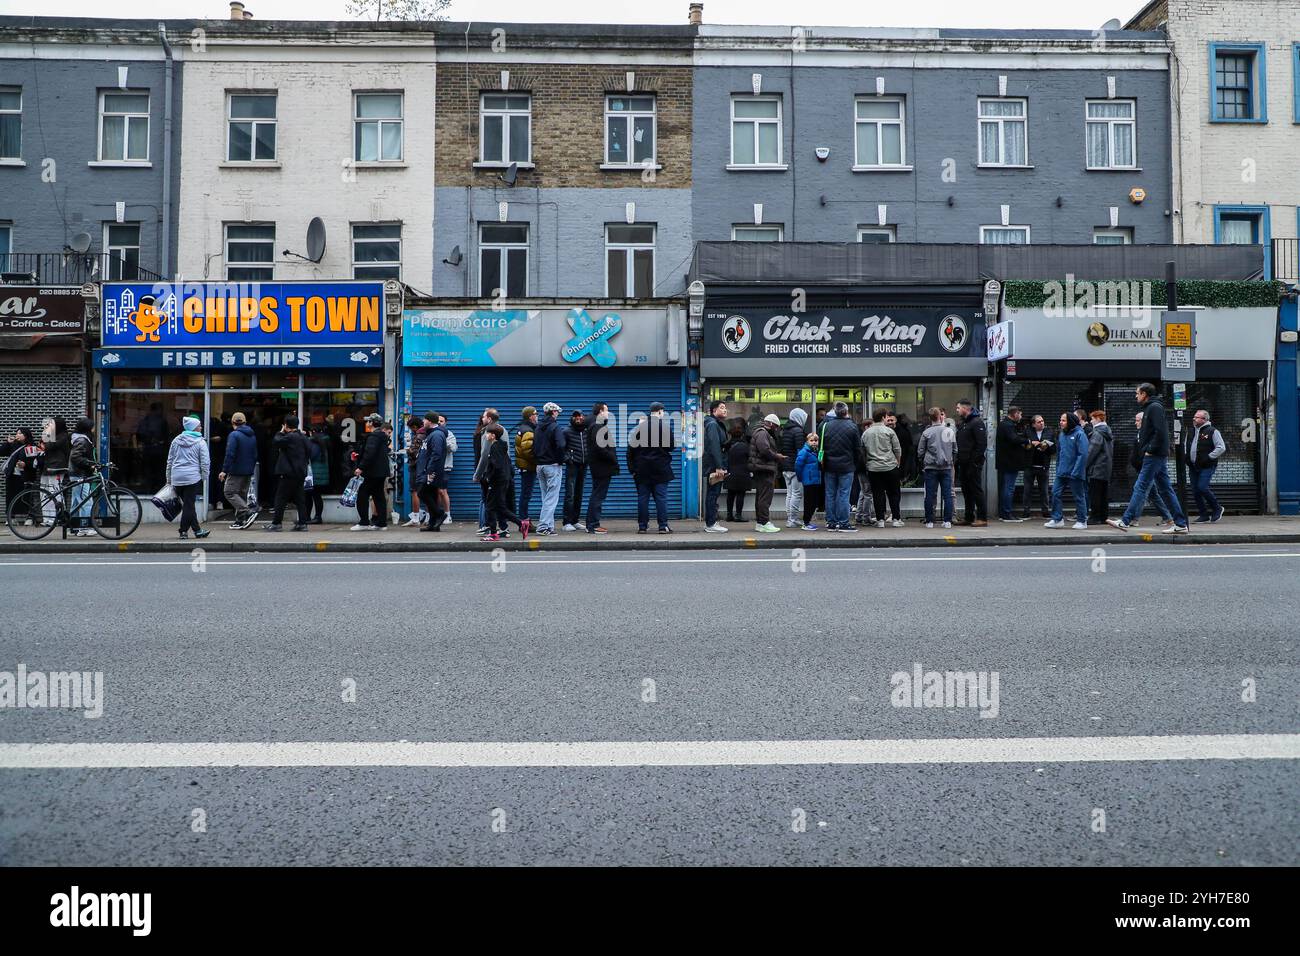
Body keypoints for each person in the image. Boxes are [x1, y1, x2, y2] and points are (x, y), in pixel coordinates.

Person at [1109, 383, 1188, 534]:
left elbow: (1161, 432)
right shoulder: (1151, 408)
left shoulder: (1154, 408)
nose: (1136, 396)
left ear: (1144, 394)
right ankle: (1180, 523)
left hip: (1154, 455)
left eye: (1137, 393)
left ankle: (1125, 521)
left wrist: (1150, 450)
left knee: (1141, 486)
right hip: (1156, 454)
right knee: (1165, 489)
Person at [628, 402, 675, 534]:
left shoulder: (639, 428)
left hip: (642, 469)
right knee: (661, 498)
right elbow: (671, 446)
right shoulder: (664, 427)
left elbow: (631, 450)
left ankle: (642, 526)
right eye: (663, 412)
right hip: (660, 468)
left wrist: (632, 469)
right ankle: (662, 526)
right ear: (660, 412)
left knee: (643, 498)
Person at [481, 423, 531, 542]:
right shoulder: (502, 446)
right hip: (503, 480)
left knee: (490, 507)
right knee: (499, 507)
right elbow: (507, 464)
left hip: (497, 481)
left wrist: (489, 478)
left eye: (487, 433)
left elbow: (496, 466)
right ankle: (520, 523)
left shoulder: (495, 447)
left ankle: (494, 533)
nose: (486, 435)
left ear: (493, 435)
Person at [167, 415, 211, 539]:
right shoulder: (200, 442)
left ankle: (197, 530)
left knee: (188, 505)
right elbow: (205, 462)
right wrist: (204, 476)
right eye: (199, 426)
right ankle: (183, 531)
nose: (201, 427)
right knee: (189, 505)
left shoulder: (176, 440)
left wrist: (169, 478)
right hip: (192, 478)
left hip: (177, 477)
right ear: (193, 428)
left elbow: (170, 461)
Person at [818, 402, 860, 533]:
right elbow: (857, 449)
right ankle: (843, 523)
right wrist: (856, 464)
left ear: (834, 412)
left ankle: (831, 522)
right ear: (846, 412)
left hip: (829, 465)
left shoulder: (826, 426)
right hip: (847, 466)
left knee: (830, 493)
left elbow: (821, 445)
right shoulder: (852, 427)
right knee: (843, 494)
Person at [263, 415, 310, 532]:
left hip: (288, 473)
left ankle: (277, 523)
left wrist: (281, 432)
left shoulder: (289, 437)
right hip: (300, 472)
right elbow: (310, 451)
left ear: (286, 425)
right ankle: (303, 523)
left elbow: (276, 441)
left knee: (280, 498)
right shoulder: (303, 437)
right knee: (300, 499)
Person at [1126, 411, 1171, 528]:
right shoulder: (1140, 434)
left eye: (1138, 420)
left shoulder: (1147, 435)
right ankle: (1168, 517)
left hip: (1147, 468)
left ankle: (1133, 518)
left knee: (1141, 491)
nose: (1136, 423)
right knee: (1153, 494)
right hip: (1142, 468)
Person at [1045, 412, 1089, 530]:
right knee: (1055, 493)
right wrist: (1059, 467)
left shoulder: (1080, 434)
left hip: (1075, 472)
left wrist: (1076, 471)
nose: (1061, 422)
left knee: (1079, 496)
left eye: (1063, 420)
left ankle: (1082, 520)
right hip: (1062, 472)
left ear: (1070, 421)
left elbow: (1083, 454)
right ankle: (1057, 519)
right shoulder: (1061, 435)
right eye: (1060, 420)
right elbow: (1060, 453)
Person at [863, 408, 904, 527]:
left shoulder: (867, 433)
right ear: (883, 417)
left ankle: (880, 520)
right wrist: (898, 463)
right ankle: (896, 519)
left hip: (873, 468)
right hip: (890, 466)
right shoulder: (889, 431)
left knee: (877, 494)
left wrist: (867, 463)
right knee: (894, 493)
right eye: (886, 417)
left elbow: (863, 450)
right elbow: (897, 449)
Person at [1185, 408, 1226, 523]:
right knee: (1195, 490)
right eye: (1194, 416)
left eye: (1197, 417)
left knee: (1202, 487)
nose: (1194, 419)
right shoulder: (1191, 431)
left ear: (1204, 419)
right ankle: (1203, 514)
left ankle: (1217, 508)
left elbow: (1221, 447)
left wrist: (1209, 457)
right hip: (1193, 465)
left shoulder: (1212, 431)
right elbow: (1186, 445)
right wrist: (1186, 457)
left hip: (1207, 465)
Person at [351, 412, 390, 531]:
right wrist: (360, 455)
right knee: (379, 496)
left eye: (368, 421)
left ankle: (364, 522)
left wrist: (360, 467)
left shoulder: (373, 436)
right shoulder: (382, 436)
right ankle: (381, 523)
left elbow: (370, 453)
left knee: (362, 495)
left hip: (371, 472)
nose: (367, 423)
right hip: (380, 472)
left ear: (372, 423)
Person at [748, 413, 787, 533]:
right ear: (770, 423)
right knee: (765, 497)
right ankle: (764, 522)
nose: (776, 429)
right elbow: (764, 450)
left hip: (761, 468)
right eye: (775, 426)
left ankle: (761, 522)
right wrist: (777, 456)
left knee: (761, 497)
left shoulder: (759, 432)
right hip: (764, 469)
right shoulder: (762, 433)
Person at [220, 411, 259, 529]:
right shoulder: (252, 435)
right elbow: (255, 453)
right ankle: (240, 521)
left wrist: (224, 470)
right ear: (245, 422)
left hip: (236, 470)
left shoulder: (234, 435)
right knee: (241, 495)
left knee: (229, 492)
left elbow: (230, 454)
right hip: (248, 470)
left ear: (232, 422)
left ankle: (248, 512)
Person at [532, 402, 566, 536]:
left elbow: (534, 446)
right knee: (551, 498)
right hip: (552, 466)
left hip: (540, 466)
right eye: (557, 411)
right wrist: (560, 459)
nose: (558, 414)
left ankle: (549, 526)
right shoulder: (554, 427)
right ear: (553, 412)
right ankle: (543, 526)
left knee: (546, 497)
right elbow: (561, 445)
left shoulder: (538, 427)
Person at [917, 407, 954, 529]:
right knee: (947, 495)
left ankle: (929, 521)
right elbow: (955, 449)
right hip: (946, 467)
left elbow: (920, 451)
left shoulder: (927, 432)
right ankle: (947, 520)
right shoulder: (949, 431)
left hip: (931, 467)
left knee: (930, 495)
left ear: (929, 418)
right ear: (940, 416)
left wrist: (923, 461)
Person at [955, 399, 988, 526]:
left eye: (958, 408)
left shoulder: (976, 422)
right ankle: (969, 517)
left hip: (972, 463)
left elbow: (981, 444)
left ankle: (982, 518)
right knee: (966, 491)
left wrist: (974, 462)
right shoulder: (964, 423)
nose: (957, 410)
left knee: (976, 490)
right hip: (963, 463)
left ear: (965, 408)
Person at [586, 403, 618, 534]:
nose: (608, 413)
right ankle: (593, 524)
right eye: (606, 410)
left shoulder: (596, 426)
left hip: (599, 466)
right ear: (600, 411)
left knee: (596, 495)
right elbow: (599, 448)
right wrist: (612, 457)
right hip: (602, 467)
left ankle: (591, 524)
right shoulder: (598, 427)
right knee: (598, 496)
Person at [414, 410, 448, 532]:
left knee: (422, 493)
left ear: (429, 421)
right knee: (432, 496)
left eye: (424, 419)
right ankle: (433, 524)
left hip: (430, 472)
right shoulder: (432, 434)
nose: (423, 421)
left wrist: (429, 470)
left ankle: (440, 514)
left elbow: (437, 454)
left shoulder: (437, 435)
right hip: (429, 471)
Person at [995, 406, 1030, 522]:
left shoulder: (1004, 424)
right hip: (1009, 462)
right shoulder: (1008, 425)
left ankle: (1003, 512)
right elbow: (1014, 439)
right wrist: (1026, 440)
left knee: (1005, 487)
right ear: (1015, 414)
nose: (1020, 416)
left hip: (1004, 462)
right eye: (1020, 414)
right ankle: (1007, 513)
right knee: (1009, 488)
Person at [2, 427, 43, 524]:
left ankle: (29, 517)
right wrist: (7, 443)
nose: (17, 435)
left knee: (27, 497)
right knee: (11, 496)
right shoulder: (13, 445)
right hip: (12, 475)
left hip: (26, 476)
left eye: (20, 433)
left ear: (26, 435)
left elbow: (35, 462)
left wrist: (25, 465)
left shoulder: (31, 446)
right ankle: (11, 517)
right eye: (17, 433)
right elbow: (1, 451)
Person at [474, 408, 504, 535]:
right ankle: (493, 525)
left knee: (488, 500)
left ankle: (488, 525)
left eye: (484, 416)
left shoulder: (488, 432)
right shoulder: (483, 432)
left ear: (490, 419)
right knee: (491, 500)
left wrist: (478, 473)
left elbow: (484, 454)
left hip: (490, 472)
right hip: (491, 472)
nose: (482, 418)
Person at [701, 399, 729, 533]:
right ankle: (711, 524)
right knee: (713, 494)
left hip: (715, 463)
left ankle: (712, 522)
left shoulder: (714, 423)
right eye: (722, 407)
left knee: (714, 494)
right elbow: (714, 446)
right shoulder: (712, 424)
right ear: (714, 410)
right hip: (714, 465)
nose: (725, 410)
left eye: (725, 408)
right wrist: (719, 466)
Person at [67, 416, 98, 536]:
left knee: (76, 501)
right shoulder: (82, 440)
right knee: (86, 500)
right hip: (80, 474)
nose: (94, 429)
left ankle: (73, 527)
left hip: (76, 474)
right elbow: (76, 457)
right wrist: (90, 465)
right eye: (92, 427)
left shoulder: (80, 439)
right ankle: (84, 528)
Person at [561, 409, 589, 531]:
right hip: (572, 466)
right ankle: (566, 522)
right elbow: (561, 448)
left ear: (584, 417)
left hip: (584, 465)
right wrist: (568, 459)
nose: (578, 418)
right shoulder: (566, 431)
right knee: (570, 494)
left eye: (580, 416)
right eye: (575, 416)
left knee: (579, 494)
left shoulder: (586, 431)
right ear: (572, 418)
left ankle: (575, 520)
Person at [780, 408, 808, 528]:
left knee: (790, 494)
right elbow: (800, 450)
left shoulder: (786, 430)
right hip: (795, 466)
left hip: (786, 465)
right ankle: (793, 519)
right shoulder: (798, 431)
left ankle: (790, 518)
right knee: (796, 494)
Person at [1085, 410, 1114, 525]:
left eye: (1092, 419)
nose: (1090, 421)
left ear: (1098, 419)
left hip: (1096, 468)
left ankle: (1095, 517)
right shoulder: (1108, 432)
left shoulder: (1097, 433)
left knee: (1095, 494)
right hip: (1106, 467)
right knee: (1103, 493)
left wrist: (1084, 465)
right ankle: (1103, 516)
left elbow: (1091, 451)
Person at [1023, 414, 1054, 519]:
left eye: (1042, 421)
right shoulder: (1027, 432)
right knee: (1027, 490)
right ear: (1033, 424)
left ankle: (1045, 511)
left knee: (1044, 490)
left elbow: (1054, 448)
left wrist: (1045, 446)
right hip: (1030, 465)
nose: (1042, 423)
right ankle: (1026, 511)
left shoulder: (1049, 432)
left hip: (1043, 465)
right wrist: (1031, 444)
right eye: (1039, 422)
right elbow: (1023, 446)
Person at [403, 414, 431, 527]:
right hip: (426, 467)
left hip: (416, 467)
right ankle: (429, 517)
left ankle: (415, 518)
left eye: (411, 428)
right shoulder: (429, 434)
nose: (411, 431)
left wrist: (408, 450)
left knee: (414, 491)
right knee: (428, 492)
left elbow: (414, 452)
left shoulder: (419, 436)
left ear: (414, 426)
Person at [40, 416, 69, 522]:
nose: (49, 425)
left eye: (52, 423)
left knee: (55, 492)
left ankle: (57, 517)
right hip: (47, 467)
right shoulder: (53, 435)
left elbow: (48, 446)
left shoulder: (64, 436)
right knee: (44, 492)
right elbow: (43, 444)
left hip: (57, 467)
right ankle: (47, 518)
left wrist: (47, 432)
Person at [794, 433, 823, 530]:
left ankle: (808, 521)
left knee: (813, 502)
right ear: (807, 441)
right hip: (809, 480)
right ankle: (806, 523)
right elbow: (798, 465)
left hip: (815, 480)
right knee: (809, 502)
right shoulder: (804, 451)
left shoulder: (816, 451)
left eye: (816, 440)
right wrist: (800, 477)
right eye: (812, 440)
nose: (814, 442)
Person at [513, 406, 538, 519]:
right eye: (536, 414)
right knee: (526, 494)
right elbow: (527, 450)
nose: (537, 416)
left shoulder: (523, 428)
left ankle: (523, 519)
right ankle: (524, 519)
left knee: (525, 494)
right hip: (528, 467)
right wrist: (537, 461)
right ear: (530, 416)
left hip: (524, 466)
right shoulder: (528, 430)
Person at [724, 421, 751, 524]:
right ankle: (738, 515)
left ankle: (729, 515)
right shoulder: (745, 446)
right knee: (740, 495)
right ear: (742, 434)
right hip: (742, 473)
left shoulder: (727, 445)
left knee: (730, 495)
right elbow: (749, 458)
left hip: (730, 472)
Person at [307, 424, 330, 524]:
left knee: (311, 496)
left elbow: (311, 456)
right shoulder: (323, 442)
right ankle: (315, 516)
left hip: (314, 474)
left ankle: (314, 517)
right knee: (316, 496)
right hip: (321, 474)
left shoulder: (314, 443)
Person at [438, 414, 456, 525]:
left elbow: (454, 448)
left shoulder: (449, 434)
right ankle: (436, 515)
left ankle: (448, 515)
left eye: (442, 421)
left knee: (442, 491)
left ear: (445, 422)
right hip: (433, 467)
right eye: (438, 420)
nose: (440, 422)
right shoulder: (431, 433)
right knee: (433, 492)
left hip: (445, 467)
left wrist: (444, 442)